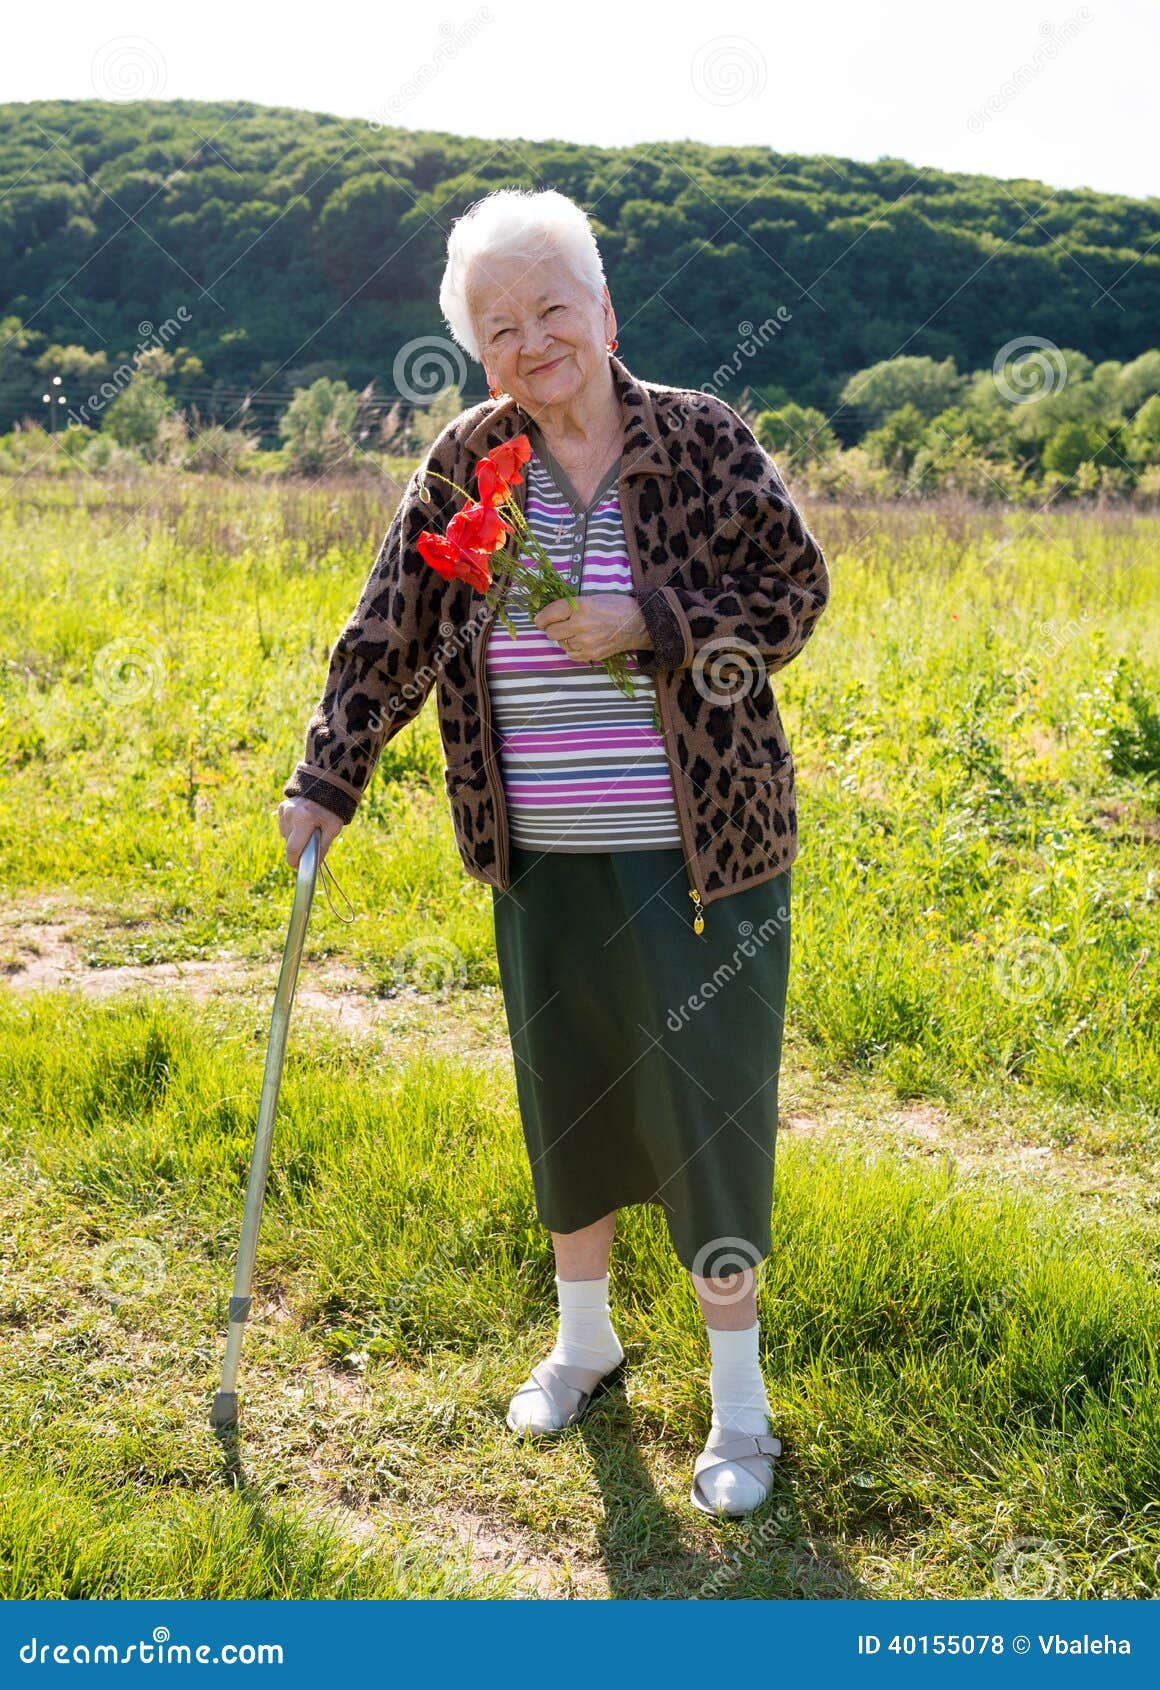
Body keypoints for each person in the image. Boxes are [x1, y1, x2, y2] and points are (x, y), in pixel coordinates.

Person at [278, 187, 830, 1517]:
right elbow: (390, 626)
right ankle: (586, 1343)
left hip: (708, 861)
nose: (529, 344)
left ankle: (739, 1408)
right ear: (478, 346)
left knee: (710, 1117)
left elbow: (794, 597)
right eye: (498, 325)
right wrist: (327, 775)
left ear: (604, 313)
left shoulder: (703, 438)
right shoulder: (469, 458)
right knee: (570, 1096)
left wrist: (648, 620)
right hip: (539, 856)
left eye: (550, 312)